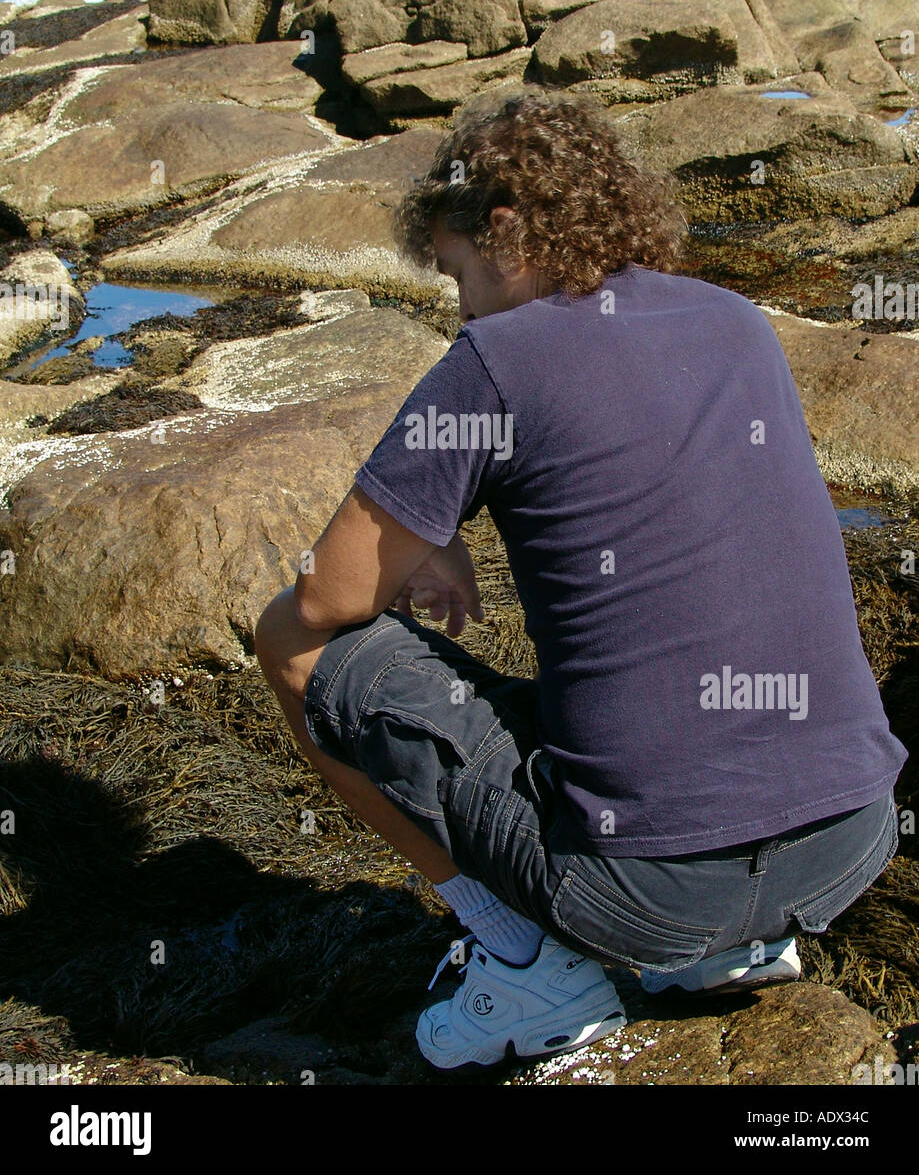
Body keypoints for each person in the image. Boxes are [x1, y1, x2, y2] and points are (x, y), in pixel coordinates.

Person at [255, 87, 907, 1072]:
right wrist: (436, 526)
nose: (459, 305)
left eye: (456, 271)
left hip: (647, 891)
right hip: (847, 838)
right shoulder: (737, 323)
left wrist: (412, 531)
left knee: (292, 643)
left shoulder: (494, 357)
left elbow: (329, 598)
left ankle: (523, 958)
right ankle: (729, 950)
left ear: (505, 229)